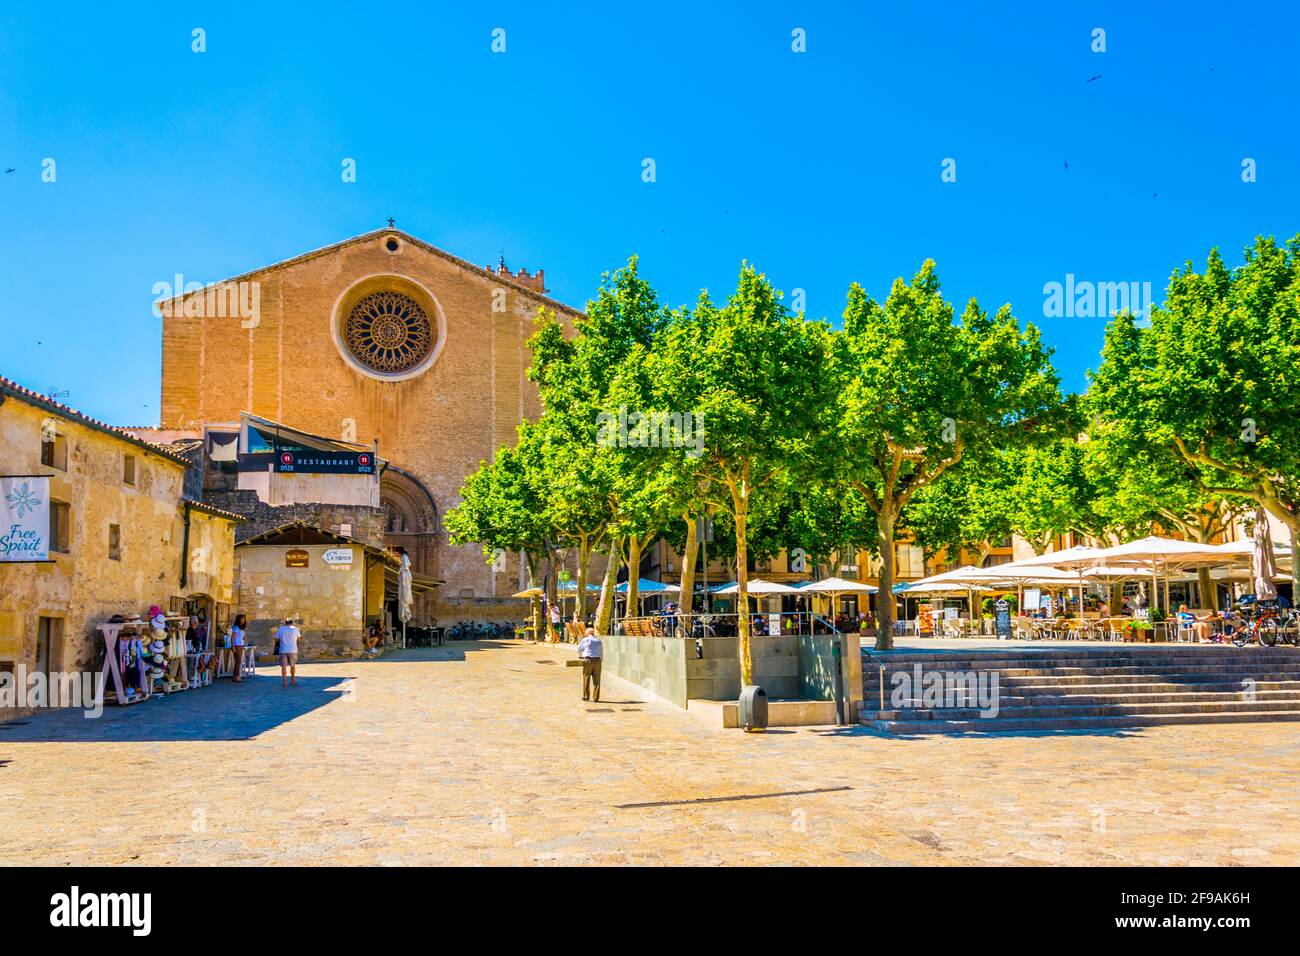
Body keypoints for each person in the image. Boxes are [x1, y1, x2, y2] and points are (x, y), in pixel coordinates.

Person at [577, 626, 603, 702]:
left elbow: (580, 649)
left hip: (588, 660)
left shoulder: (586, 640)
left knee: (586, 678)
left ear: (587, 633)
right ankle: (596, 697)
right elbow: (601, 652)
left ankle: (586, 696)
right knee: (597, 680)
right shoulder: (598, 640)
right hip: (598, 660)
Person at [275, 617, 301, 687]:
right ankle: (292, 680)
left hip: (283, 650)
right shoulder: (295, 629)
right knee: (292, 666)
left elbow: (276, 638)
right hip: (293, 649)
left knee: (283, 667)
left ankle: (284, 682)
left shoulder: (280, 629)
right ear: (292, 622)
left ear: (285, 623)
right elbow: (299, 637)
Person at [230, 613, 248, 682]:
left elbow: (242, 637)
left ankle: (236, 676)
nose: (244, 620)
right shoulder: (236, 627)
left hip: (241, 645)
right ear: (239, 619)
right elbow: (232, 638)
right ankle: (237, 677)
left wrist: (244, 642)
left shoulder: (242, 628)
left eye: (244, 618)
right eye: (242, 618)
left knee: (238, 661)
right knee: (238, 661)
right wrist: (233, 646)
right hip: (237, 645)